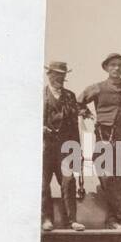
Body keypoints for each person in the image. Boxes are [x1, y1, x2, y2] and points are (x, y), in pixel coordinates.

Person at [79, 52, 121, 229]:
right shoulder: (97, 88)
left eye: (119, 65)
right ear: (107, 68)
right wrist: (87, 114)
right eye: (112, 65)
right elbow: (78, 103)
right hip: (103, 137)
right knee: (106, 176)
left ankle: (112, 220)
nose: (116, 68)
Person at [42, 61, 84, 231]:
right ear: (49, 75)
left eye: (63, 75)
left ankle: (71, 221)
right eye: (57, 74)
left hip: (66, 148)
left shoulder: (70, 96)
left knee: (68, 181)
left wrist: (77, 150)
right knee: (43, 183)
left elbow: (74, 125)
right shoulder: (39, 95)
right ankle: (46, 219)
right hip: (45, 148)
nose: (60, 77)